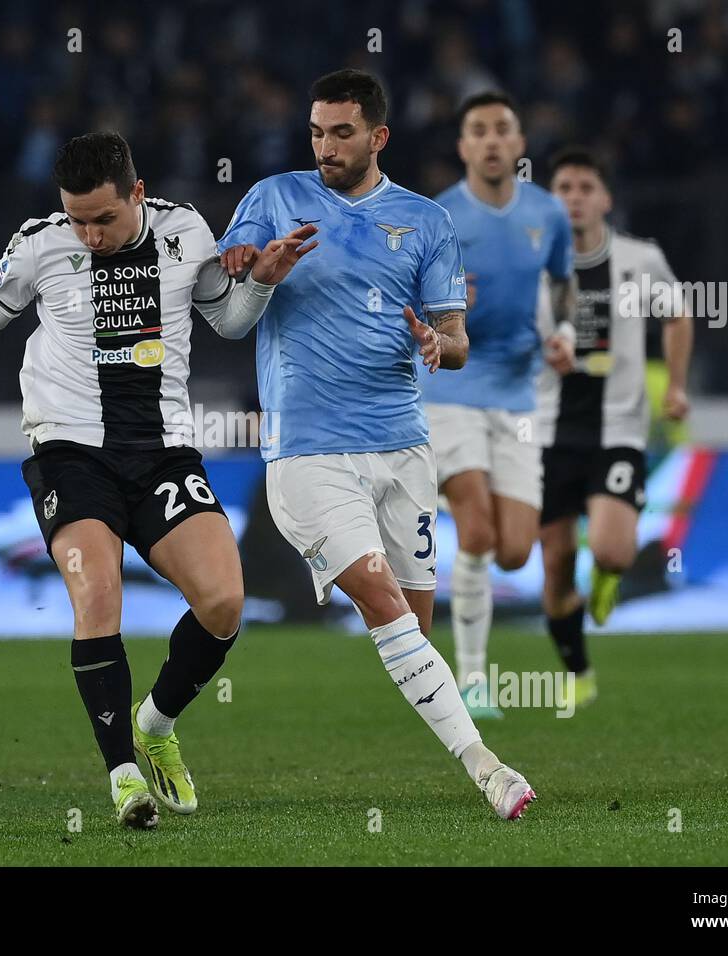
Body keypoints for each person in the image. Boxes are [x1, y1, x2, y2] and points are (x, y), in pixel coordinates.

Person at [0, 132, 313, 829]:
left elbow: (227, 323)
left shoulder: (186, 231)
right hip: (70, 452)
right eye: (77, 219)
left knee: (225, 602)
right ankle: (123, 776)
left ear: (136, 195)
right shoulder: (40, 243)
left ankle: (156, 725)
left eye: (103, 219)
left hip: (163, 452)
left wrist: (261, 280)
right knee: (97, 592)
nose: (90, 234)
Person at [218, 70, 535, 820]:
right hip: (307, 450)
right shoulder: (272, 199)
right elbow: (229, 310)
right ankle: (487, 768)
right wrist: (253, 269)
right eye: (317, 132)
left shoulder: (424, 222)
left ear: (377, 136)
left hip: (401, 445)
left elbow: (457, 340)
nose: (326, 147)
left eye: (342, 133)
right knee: (379, 596)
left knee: (411, 630)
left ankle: (157, 722)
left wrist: (436, 342)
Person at [420, 91, 576, 719]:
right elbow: (411, 303)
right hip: (451, 390)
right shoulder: (437, 218)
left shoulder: (549, 214)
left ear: (519, 144)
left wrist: (562, 334)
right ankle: (474, 680)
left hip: (518, 395)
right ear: (463, 147)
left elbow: (564, 288)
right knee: (478, 531)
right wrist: (447, 307)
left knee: (514, 549)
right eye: (477, 131)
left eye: (501, 130)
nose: (490, 140)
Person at [537, 146, 692, 703]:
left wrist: (675, 385)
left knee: (611, 551)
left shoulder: (638, 258)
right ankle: (578, 671)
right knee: (554, 565)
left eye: (585, 187)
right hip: (548, 432)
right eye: (564, 188)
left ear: (604, 198)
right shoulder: (534, 262)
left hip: (619, 428)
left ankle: (606, 577)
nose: (574, 198)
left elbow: (677, 312)